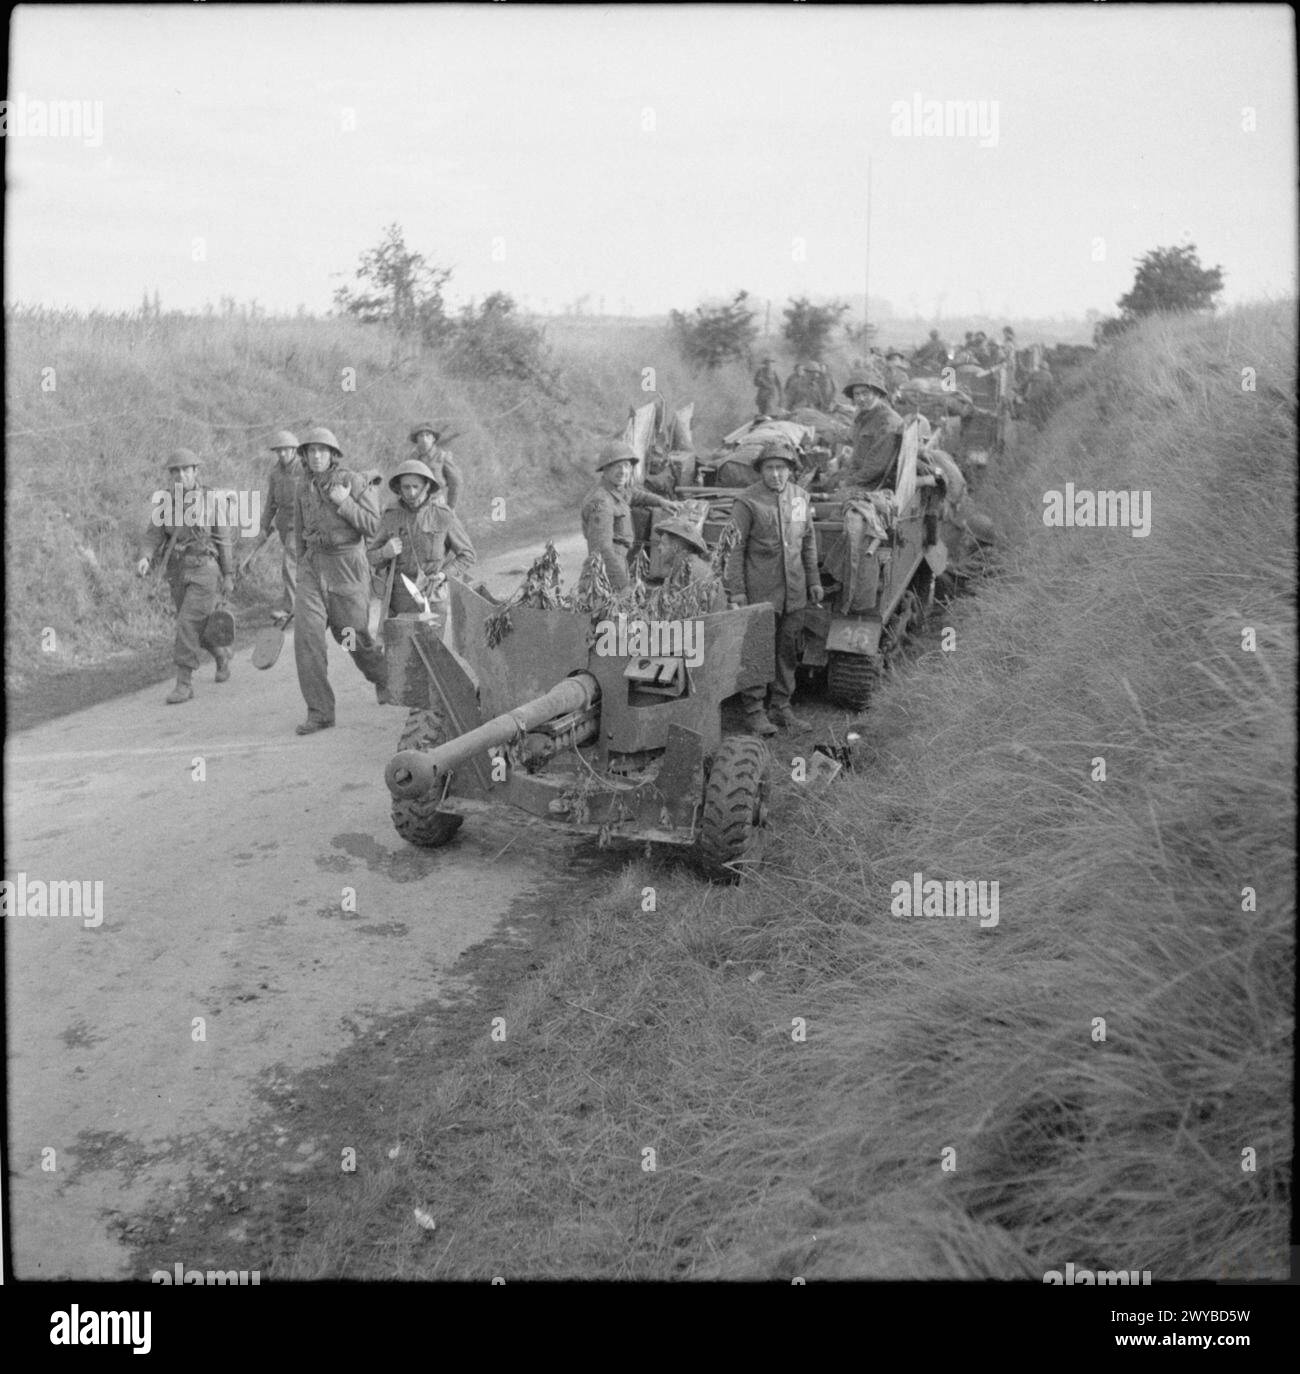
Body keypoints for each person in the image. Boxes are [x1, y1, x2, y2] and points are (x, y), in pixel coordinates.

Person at [290, 427, 388, 734]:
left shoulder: (352, 481)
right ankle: (320, 711)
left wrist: (345, 503)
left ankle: (383, 676)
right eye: (310, 451)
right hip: (312, 569)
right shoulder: (302, 486)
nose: (316, 456)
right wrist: (302, 569)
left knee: (352, 637)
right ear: (304, 456)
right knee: (306, 638)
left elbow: (374, 527)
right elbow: (298, 531)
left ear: (333, 454)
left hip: (347, 567)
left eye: (322, 450)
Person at [723, 441, 822, 735]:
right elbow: (734, 548)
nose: (776, 474)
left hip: (795, 591)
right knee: (756, 651)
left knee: (787, 651)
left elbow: (808, 543)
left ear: (790, 470)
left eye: (781, 468)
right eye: (770, 468)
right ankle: (754, 711)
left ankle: (781, 707)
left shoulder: (800, 498)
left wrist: (814, 581)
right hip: (760, 592)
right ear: (761, 471)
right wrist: (737, 590)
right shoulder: (747, 501)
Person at [135, 448, 235, 704]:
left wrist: (228, 574)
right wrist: (145, 557)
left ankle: (184, 684)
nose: (180, 475)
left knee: (186, 623)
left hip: (204, 569)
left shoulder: (210, 499)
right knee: (195, 628)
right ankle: (221, 655)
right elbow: (153, 534)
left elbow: (224, 540)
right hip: (177, 571)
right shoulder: (166, 501)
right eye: (175, 471)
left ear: (195, 472)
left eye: (185, 470)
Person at [369, 459, 476, 617]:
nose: (411, 493)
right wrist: (384, 552)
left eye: (415, 487)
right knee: (399, 642)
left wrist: (443, 575)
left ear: (426, 487)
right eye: (406, 487)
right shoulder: (390, 516)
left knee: (430, 643)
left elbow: (468, 555)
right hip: (399, 604)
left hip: (433, 599)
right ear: (399, 488)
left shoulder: (442, 515)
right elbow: (370, 557)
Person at [580, 440, 680, 590]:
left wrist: (660, 502)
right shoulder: (601, 501)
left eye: (626, 466)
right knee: (619, 612)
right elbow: (602, 549)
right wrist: (622, 585)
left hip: (617, 562)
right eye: (617, 466)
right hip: (606, 570)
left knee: (620, 612)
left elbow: (634, 495)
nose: (623, 471)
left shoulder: (615, 490)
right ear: (605, 470)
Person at [239, 430, 301, 625]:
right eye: (279, 451)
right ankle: (308, 602)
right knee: (300, 566)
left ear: (293, 450)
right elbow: (270, 503)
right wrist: (264, 526)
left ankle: (291, 608)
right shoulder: (275, 474)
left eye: (285, 450)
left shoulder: (304, 471)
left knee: (289, 563)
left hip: (301, 524)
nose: (282, 454)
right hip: (284, 525)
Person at [834, 367, 905, 491]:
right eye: (857, 394)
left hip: (878, 484)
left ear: (877, 394)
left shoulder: (887, 421)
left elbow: (876, 466)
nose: (861, 398)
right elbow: (857, 450)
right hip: (862, 476)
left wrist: (848, 482)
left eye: (865, 393)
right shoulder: (863, 416)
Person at [407, 421, 463, 510]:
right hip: (414, 506)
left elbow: (455, 483)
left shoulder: (442, 457)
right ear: (417, 439)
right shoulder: (411, 459)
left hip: (436, 504)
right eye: (421, 436)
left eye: (427, 435)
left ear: (433, 439)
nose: (424, 439)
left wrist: (450, 507)